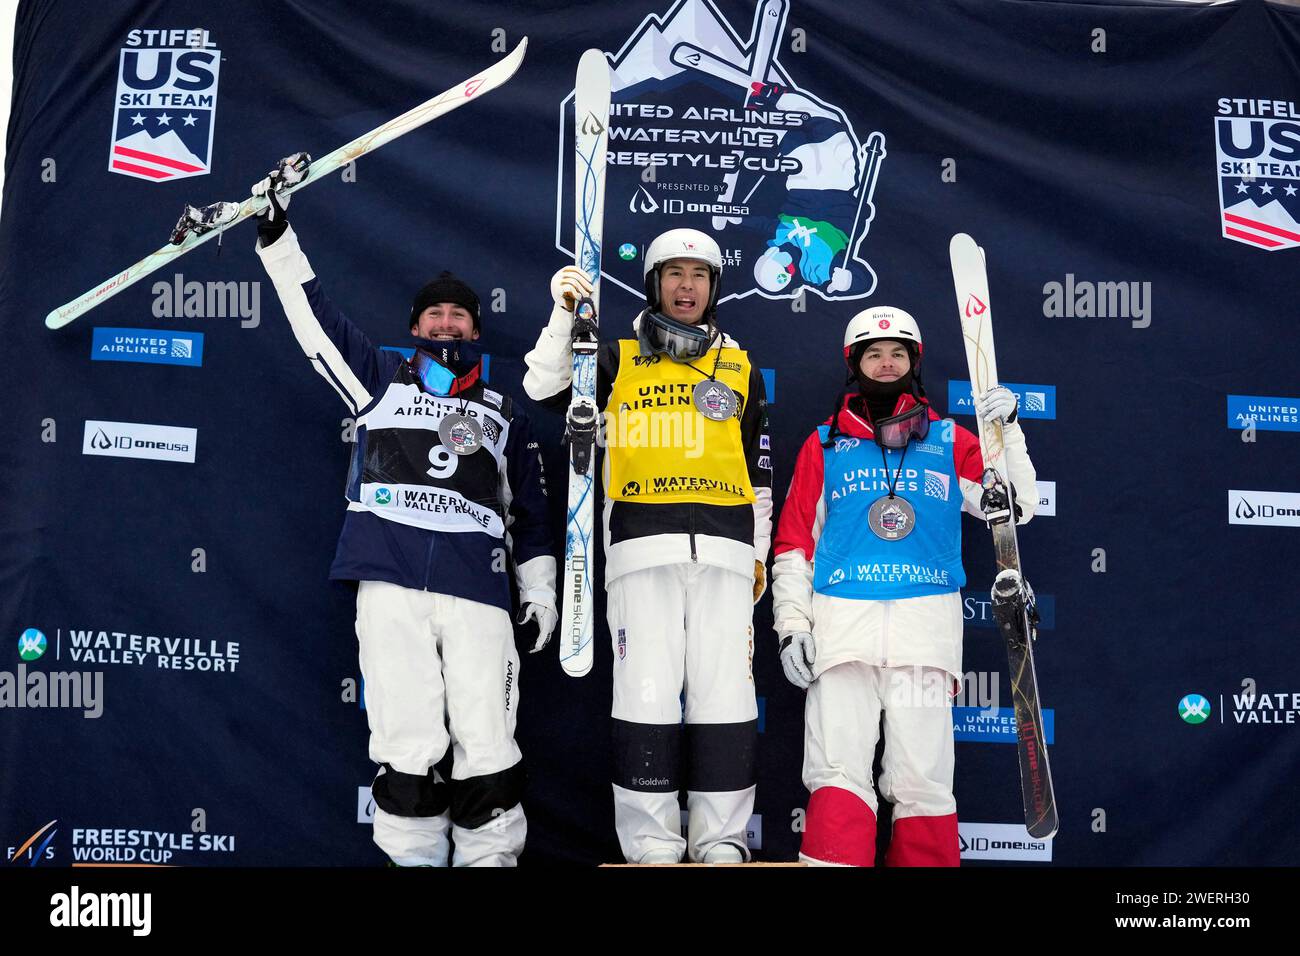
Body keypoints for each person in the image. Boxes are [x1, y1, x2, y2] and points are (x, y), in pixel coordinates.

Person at [250, 155, 557, 867]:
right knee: (407, 737)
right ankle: (413, 860)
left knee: (487, 736)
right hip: (387, 579)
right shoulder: (379, 380)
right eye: (434, 313)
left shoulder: (503, 411)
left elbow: (533, 517)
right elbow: (312, 319)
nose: (446, 323)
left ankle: (490, 861)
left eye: (459, 314)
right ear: (415, 325)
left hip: (479, 589)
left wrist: (541, 593)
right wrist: (277, 236)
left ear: (475, 330)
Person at [523, 228, 772, 864]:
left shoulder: (741, 368)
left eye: (698, 275)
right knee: (645, 696)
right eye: (673, 274)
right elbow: (543, 389)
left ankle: (721, 842)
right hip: (639, 550)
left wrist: (758, 555)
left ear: (714, 289)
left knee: (727, 700)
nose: (685, 286)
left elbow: (758, 477)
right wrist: (563, 312)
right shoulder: (614, 358)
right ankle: (652, 845)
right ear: (654, 282)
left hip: (723, 555)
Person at [771, 305, 1037, 866]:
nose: (886, 363)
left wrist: (1006, 431)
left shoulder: (950, 440)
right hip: (841, 637)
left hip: (924, 642)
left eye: (898, 353)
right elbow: (794, 545)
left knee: (923, 783)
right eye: (874, 353)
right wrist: (793, 625)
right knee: (838, 772)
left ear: (914, 362)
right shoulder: (824, 445)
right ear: (854, 363)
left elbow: (1017, 506)